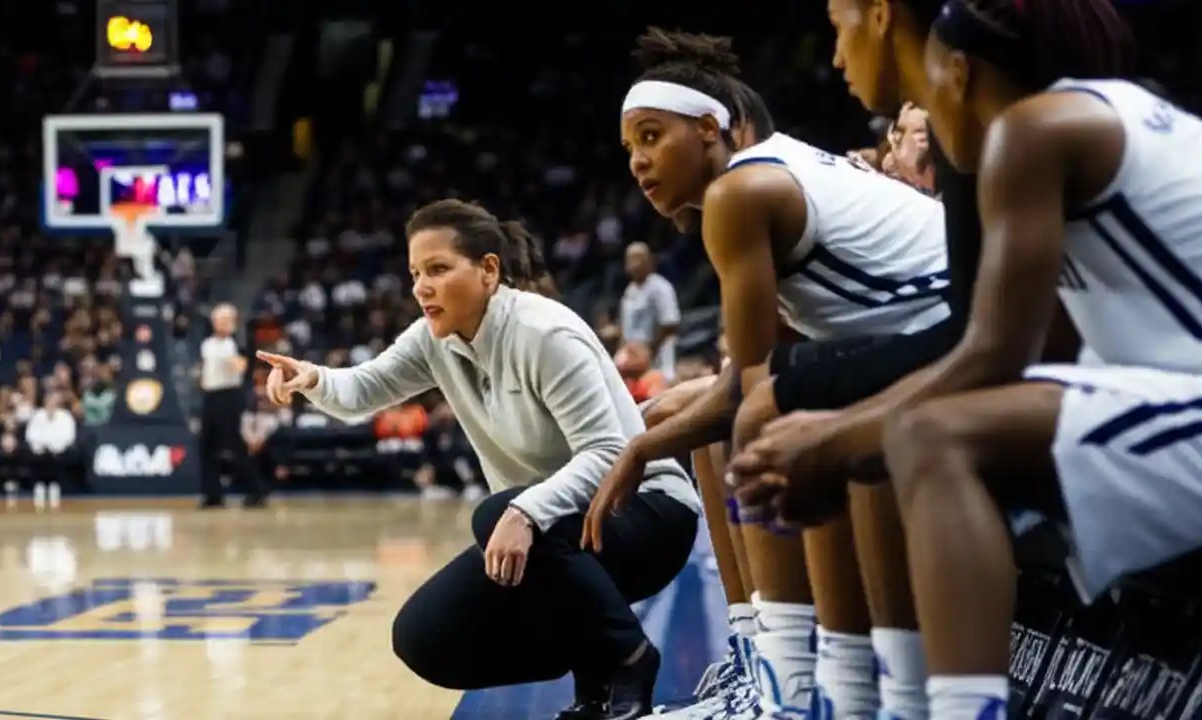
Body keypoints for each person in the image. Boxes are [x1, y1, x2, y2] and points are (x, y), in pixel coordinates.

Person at [731, 2, 1202, 718]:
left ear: (957, 73)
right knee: (917, 427)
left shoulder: (1029, 131)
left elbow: (990, 355)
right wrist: (844, 440)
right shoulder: (1109, 118)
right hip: (1182, 398)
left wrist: (829, 441)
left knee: (934, 436)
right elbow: (1039, 359)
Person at [589, 28, 954, 719]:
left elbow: (755, 387)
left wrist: (639, 448)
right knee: (703, 414)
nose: (637, 162)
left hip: (955, 337)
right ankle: (762, 665)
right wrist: (649, 432)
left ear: (708, 128)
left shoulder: (739, 193)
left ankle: (795, 690)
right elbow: (760, 366)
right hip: (925, 336)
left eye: (650, 136)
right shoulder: (771, 174)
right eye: (629, 147)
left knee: (764, 417)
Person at [258, 199, 701, 720]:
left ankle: (629, 657)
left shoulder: (545, 334)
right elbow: (366, 387)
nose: (422, 286)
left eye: (439, 269)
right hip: (558, 533)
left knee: (497, 514)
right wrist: (312, 379)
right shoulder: (434, 338)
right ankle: (594, 662)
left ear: (489, 270)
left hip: (648, 513)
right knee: (424, 636)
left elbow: (609, 453)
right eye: (416, 273)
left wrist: (524, 513)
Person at [198, 303, 268, 508]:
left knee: (237, 446)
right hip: (210, 396)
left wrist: (236, 359)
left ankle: (257, 491)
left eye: (224, 319)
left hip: (229, 396)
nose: (219, 323)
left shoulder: (237, 342)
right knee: (207, 445)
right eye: (217, 319)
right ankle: (212, 495)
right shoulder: (207, 343)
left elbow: (244, 367)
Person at [620, 242, 682, 382]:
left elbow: (670, 324)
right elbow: (625, 329)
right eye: (630, 260)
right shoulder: (629, 291)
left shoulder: (661, 287)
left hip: (658, 363)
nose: (634, 264)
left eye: (638, 259)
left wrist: (648, 352)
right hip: (634, 363)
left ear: (650, 261)